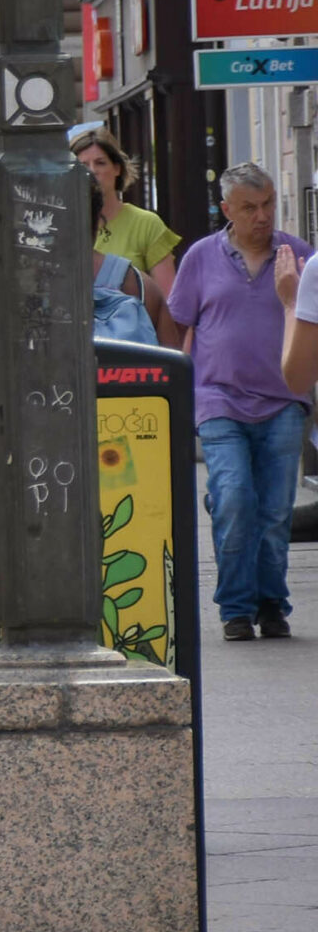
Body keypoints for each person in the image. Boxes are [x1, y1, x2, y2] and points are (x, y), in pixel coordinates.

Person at [175, 164, 309, 642]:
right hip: (218, 399)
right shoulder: (200, 257)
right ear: (227, 210)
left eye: (268, 203)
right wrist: (177, 390)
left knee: (274, 512)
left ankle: (271, 601)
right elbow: (178, 326)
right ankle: (235, 607)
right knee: (234, 498)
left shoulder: (300, 257)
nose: (262, 215)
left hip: (284, 400)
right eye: (250, 207)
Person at [79, 128, 182, 304]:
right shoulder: (61, 227)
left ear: (117, 168)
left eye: (100, 163)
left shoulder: (146, 223)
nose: (92, 171)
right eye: (83, 166)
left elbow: (168, 301)